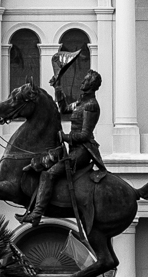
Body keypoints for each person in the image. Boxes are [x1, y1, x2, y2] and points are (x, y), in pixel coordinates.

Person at [24, 71, 107, 223]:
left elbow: (85, 135)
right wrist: (57, 87)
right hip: (73, 149)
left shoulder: (91, 106)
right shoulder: (80, 103)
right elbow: (63, 109)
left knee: (48, 174)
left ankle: (37, 213)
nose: (83, 81)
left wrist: (65, 137)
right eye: (84, 78)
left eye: (86, 80)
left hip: (83, 151)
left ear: (92, 85)